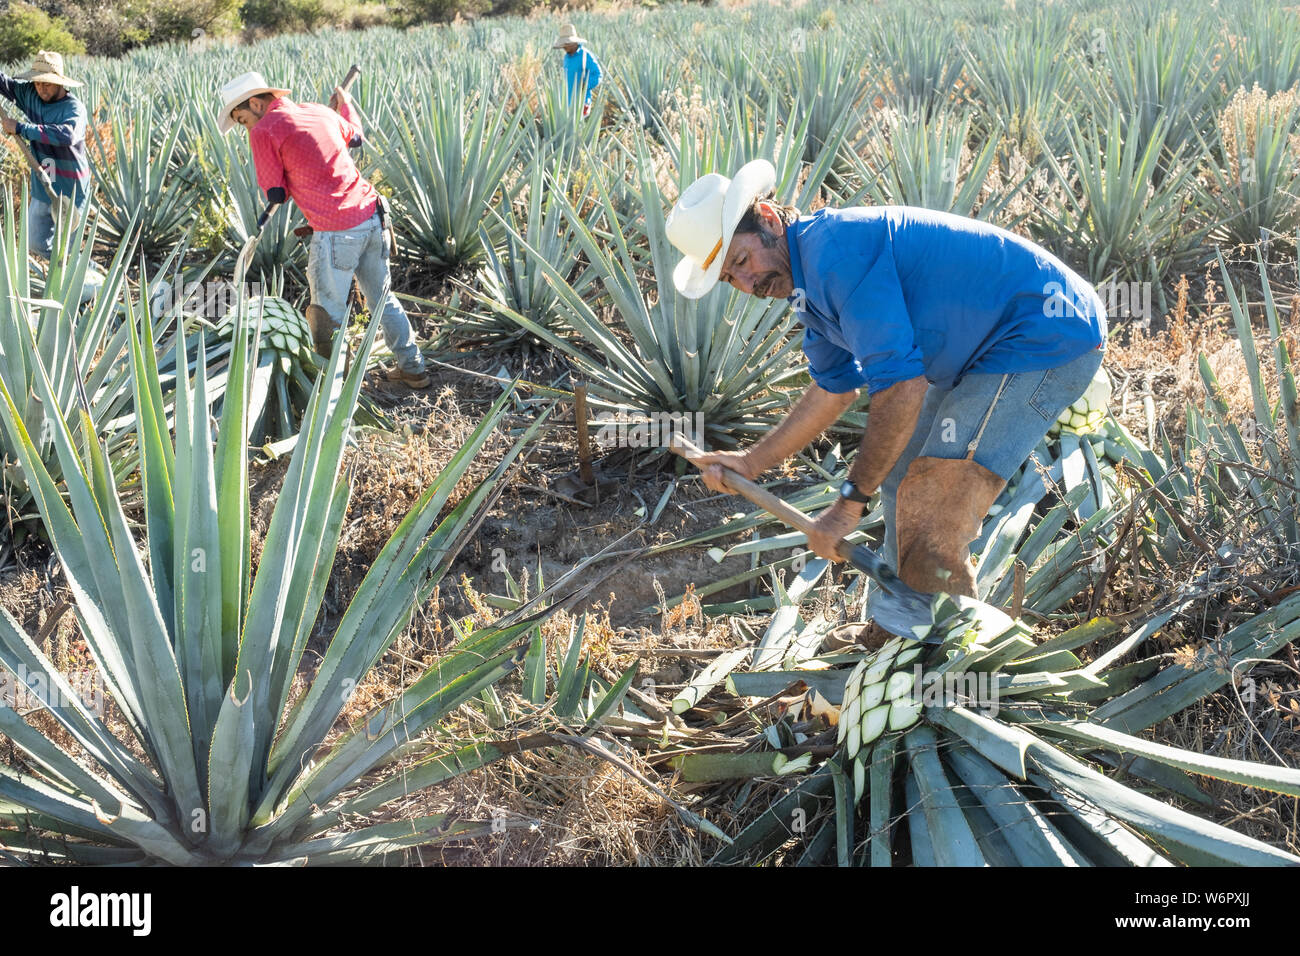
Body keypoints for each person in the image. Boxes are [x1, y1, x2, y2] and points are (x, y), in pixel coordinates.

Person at [665, 159, 1107, 605]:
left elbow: (902, 387)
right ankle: (906, 615)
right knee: (903, 474)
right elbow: (835, 390)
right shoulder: (807, 284)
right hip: (983, 353)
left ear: (769, 219)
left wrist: (848, 504)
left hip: (1045, 334)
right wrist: (751, 463)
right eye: (730, 278)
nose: (747, 283)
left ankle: (942, 631)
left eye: (742, 260)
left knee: (940, 488)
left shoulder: (837, 254)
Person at [217, 70, 430, 388]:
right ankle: (413, 368)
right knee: (383, 300)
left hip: (336, 233)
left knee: (327, 317)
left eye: (242, 120)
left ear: (257, 104)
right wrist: (346, 105)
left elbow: (276, 192)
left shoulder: (264, 130)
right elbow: (356, 137)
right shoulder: (319, 111)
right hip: (373, 217)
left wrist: (287, 173)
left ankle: (332, 390)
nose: (246, 127)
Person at [0, 50, 102, 301]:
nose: (41, 87)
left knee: (67, 248)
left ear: (59, 82)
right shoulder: (31, 94)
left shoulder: (73, 108)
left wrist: (21, 128)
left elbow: (67, 135)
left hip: (71, 188)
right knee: (35, 241)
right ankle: (76, 270)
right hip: (43, 183)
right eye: (37, 82)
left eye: (47, 82)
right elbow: (5, 84)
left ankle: (84, 288)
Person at [553, 23, 602, 118]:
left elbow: (598, 74)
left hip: (581, 102)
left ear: (573, 43)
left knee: (579, 126)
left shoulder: (586, 55)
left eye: (566, 44)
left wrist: (585, 85)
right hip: (566, 102)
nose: (564, 47)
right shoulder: (566, 58)